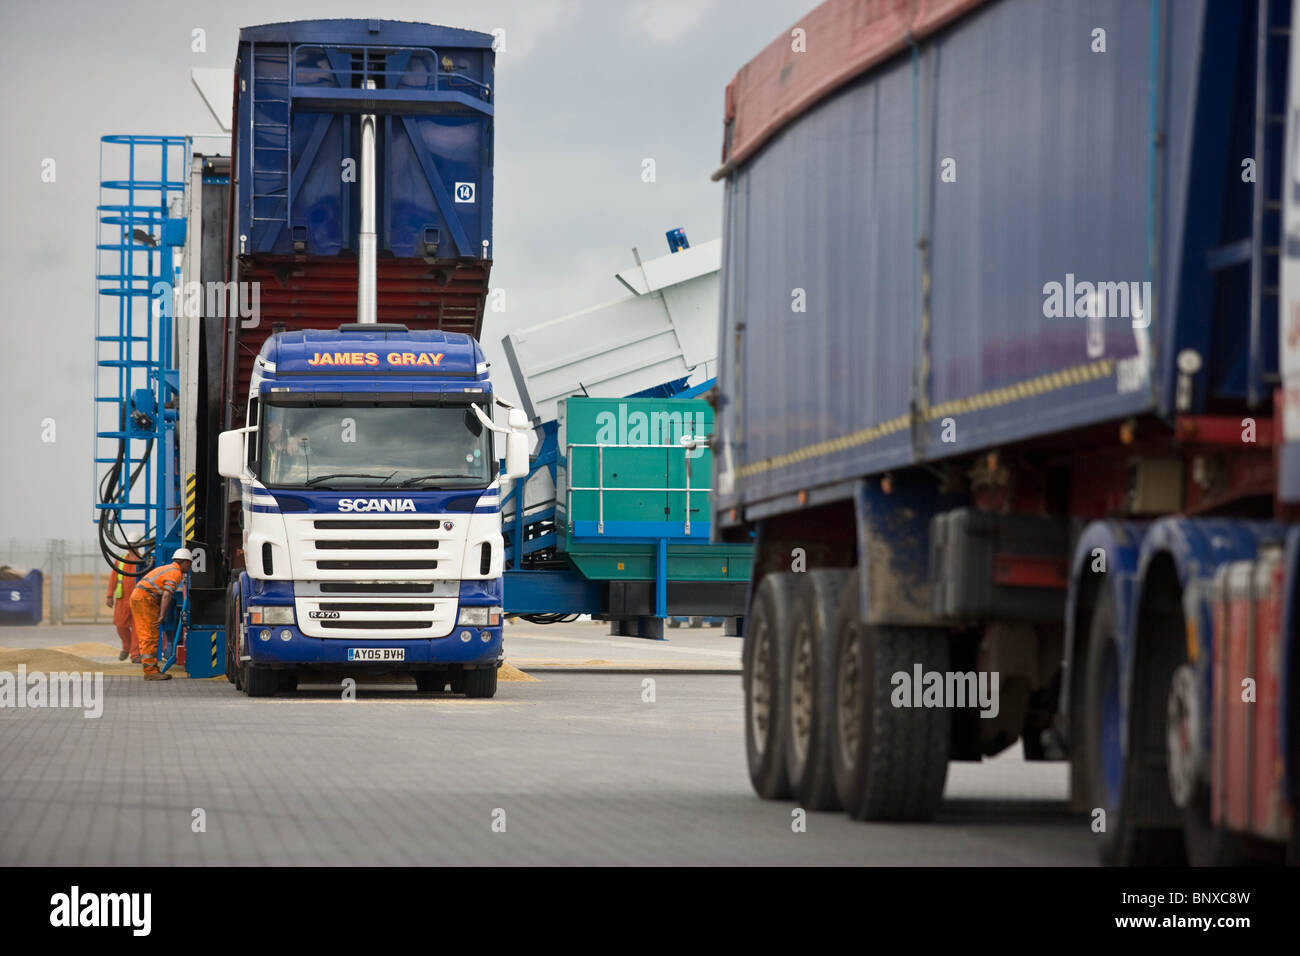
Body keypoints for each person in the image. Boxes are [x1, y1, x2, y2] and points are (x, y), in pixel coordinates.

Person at [128, 548, 193, 681]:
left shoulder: (169, 568)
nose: (190, 567)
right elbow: (166, 595)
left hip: (143, 598)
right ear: (184, 562)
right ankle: (150, 671)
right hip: (144, 599)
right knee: (149, 634)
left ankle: (152, 669)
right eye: (189, 564)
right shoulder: (175, 573)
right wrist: (162, 615)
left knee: (151, 633)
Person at [104, 546, 143, 662]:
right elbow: (113, 578)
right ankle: (127, 647)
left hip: (138, 599)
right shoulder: (120, 560)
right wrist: (109, 595)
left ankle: (135, 655)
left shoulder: (144, 560)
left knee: (137, 628)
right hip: (122, 599)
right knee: (120, 625)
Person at [264, 419, 308, 484]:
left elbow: (309, 437)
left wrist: (296, 439)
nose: (268, 432)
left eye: (270, 428)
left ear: (280, 426)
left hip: (302, 484)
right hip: (274, 485)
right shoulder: (264, 446)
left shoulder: (294, 437)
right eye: (265, 429)